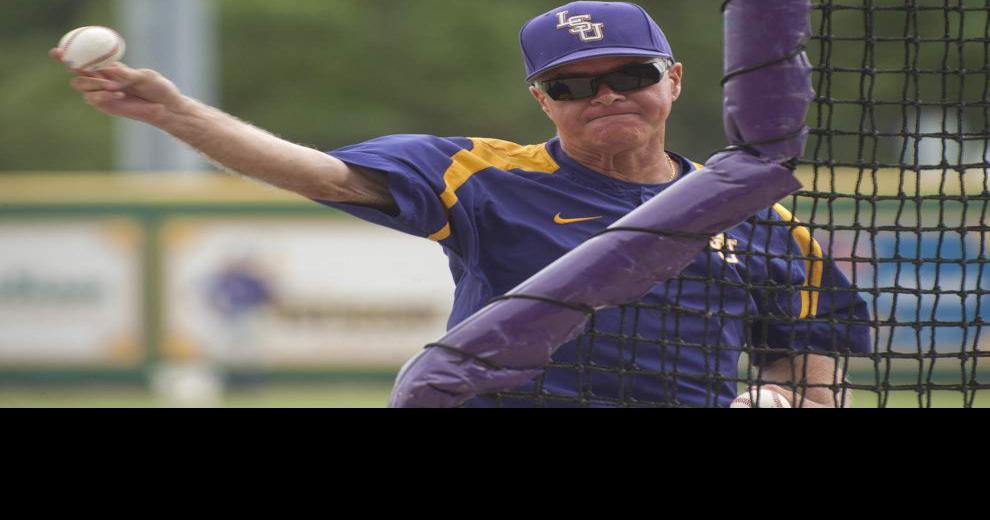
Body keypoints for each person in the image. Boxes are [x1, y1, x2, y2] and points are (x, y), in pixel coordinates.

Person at [53, 1, 871, 408]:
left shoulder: (758, 214)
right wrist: (174, 112)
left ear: (675, 80)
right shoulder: (484, 176)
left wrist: (789, 399)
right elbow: (321, 174)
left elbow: (804, 359)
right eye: (571, 86)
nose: (605, 95)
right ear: (542, 101)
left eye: (630, 75)